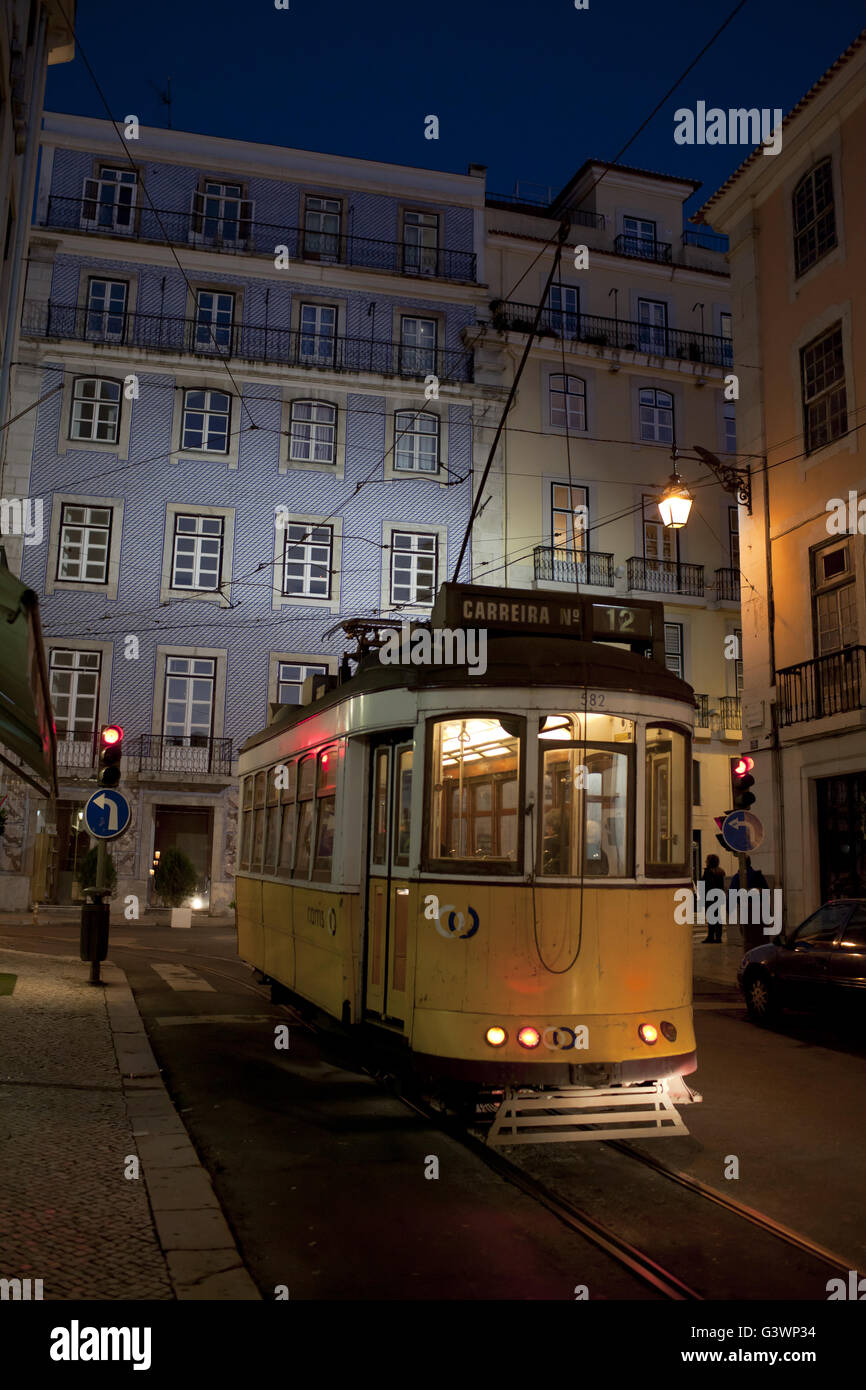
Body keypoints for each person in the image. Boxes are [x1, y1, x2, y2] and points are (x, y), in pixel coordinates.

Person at [700, 852, 726, 943]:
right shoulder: (721, 872)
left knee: (711, 918)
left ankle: (710, 936)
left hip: (710, 898)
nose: (705, 861)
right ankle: (718, 937)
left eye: (706, 860)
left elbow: (705, 885)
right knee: (718, 919)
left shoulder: (708, 872)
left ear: (709, 862)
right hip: (719, 897)